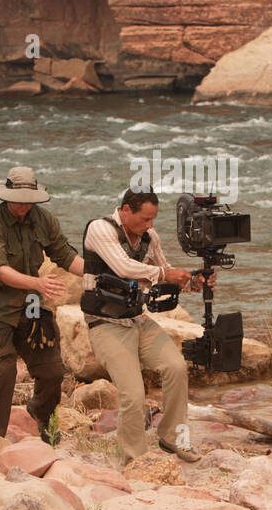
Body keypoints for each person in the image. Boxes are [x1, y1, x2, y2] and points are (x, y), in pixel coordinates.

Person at [81, 187, 211, 463]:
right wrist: (164, 273)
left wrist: (194, 282)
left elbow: (165, 276)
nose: (149, 226)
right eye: (144, 219)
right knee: (134, 394)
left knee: (176, 368)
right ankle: (134, 459)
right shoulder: (100, 229)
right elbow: (124, 268)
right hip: (105, 324)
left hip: (138, 320)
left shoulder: (149, 238)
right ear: (126, 210)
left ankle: (173, 438)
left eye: (153, 220)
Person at [0, 167, 84, 443]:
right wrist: (37, 284)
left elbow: (65, 255)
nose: (22, 205)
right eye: (16, 198)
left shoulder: (43, 220)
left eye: (27, 199)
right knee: (3, 368)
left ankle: (42, 414)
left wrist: (99, 272)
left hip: (31, 303)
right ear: (5, 196)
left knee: (52, 369)